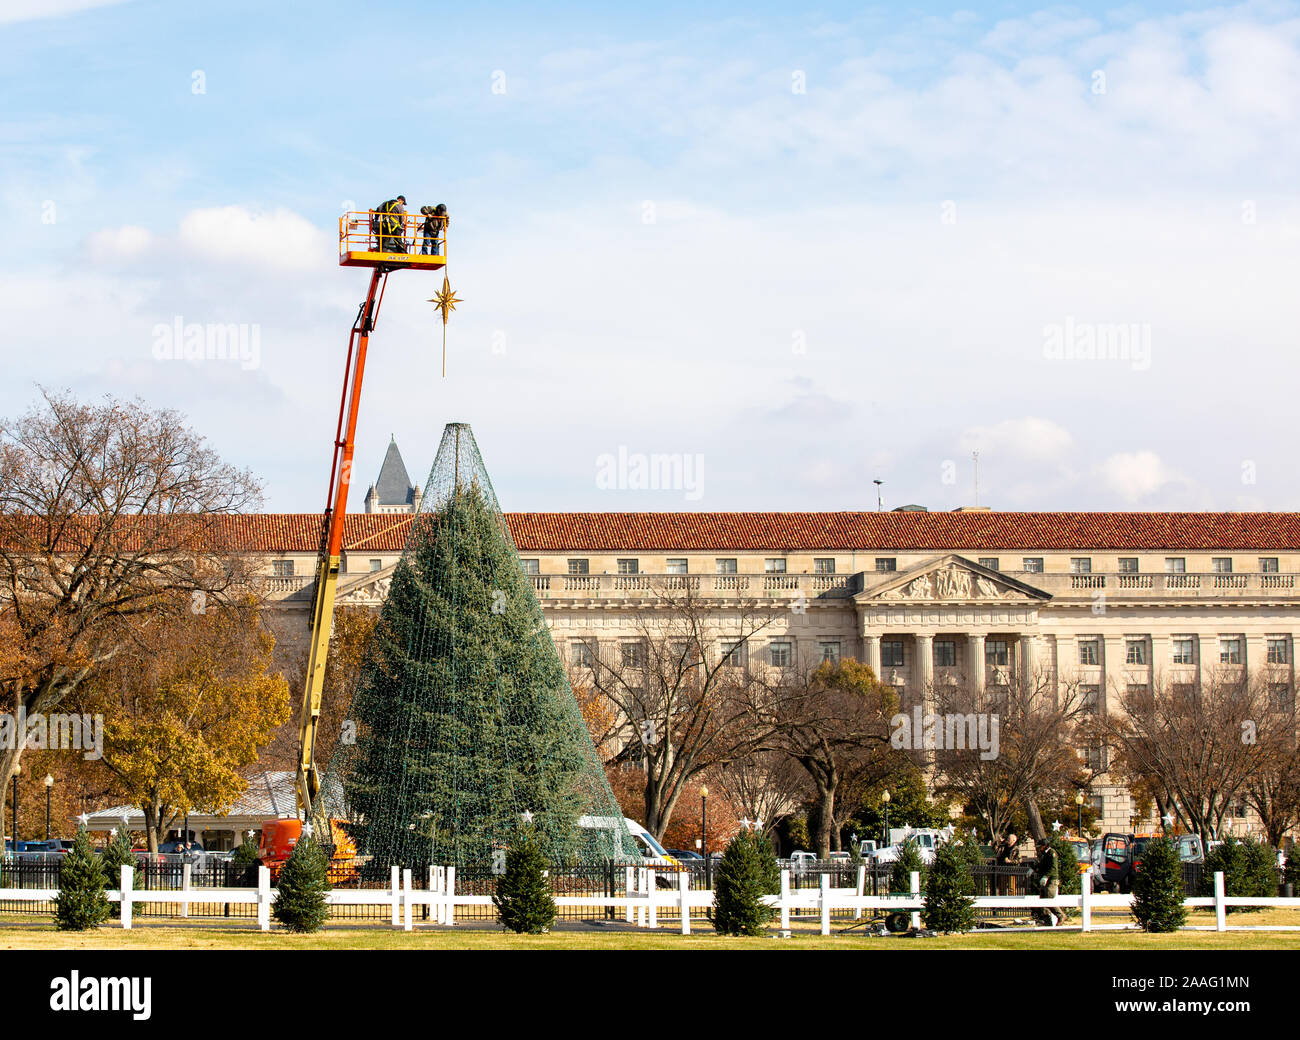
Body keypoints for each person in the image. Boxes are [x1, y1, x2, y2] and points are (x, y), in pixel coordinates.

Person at [1035, 838, 1060, 926]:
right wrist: (1033, 869)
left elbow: (1053, 868)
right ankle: (1047, 920)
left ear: (1045, 846)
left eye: (1040, 847)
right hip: (1045, 879)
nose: (1039, 848)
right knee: (1043, 900)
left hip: (1052, 880)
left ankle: (1060, 915)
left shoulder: (1051, 853)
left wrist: (1046, 876)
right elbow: (1040, 865)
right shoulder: (1044, 854)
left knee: (1049, 899)